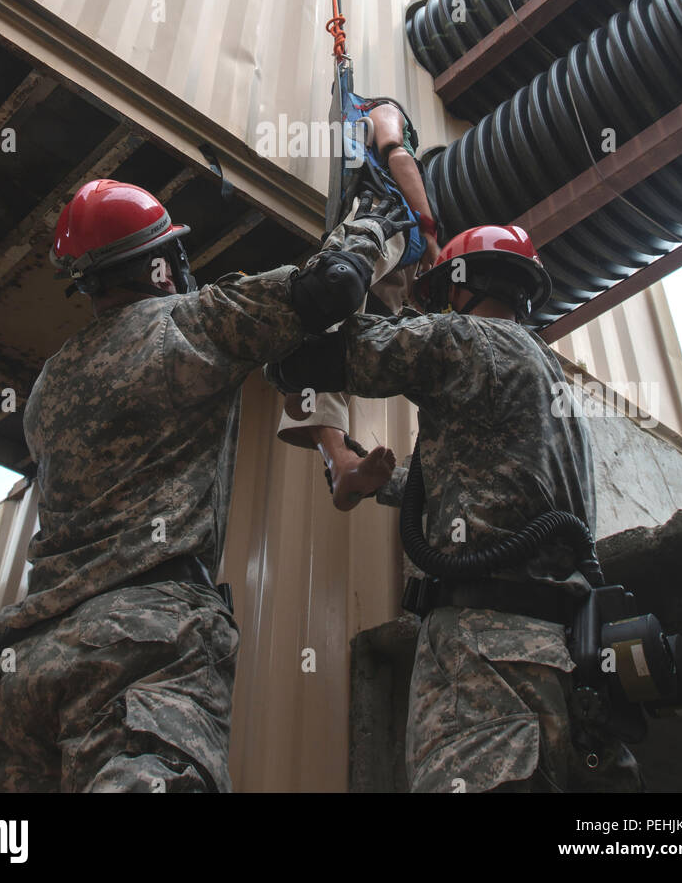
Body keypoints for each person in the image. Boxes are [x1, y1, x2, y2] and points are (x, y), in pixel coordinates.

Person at [0, 177, 405, 793]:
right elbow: (331, 286)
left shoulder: (47, 384)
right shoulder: (189, 325)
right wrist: (375, 224)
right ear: (159, 269)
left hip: (30, 659)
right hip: (143, 641)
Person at [267, 224, 643, 794]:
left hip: (488, 660)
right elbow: (471, 481)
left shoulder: (468, 341)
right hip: (569, 667)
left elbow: (323, 355)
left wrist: (315, 291)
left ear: (461, 288)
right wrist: (367, 476)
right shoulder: (542, 374)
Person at [276, 96, 440, 509]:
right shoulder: (385, 114)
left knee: (333, 333)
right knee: (337, 316)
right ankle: (341, 459)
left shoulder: (354, 141)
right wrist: (431, 229)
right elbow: (398, 155)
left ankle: (339, 459)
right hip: (386, 225)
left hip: (385, 238)